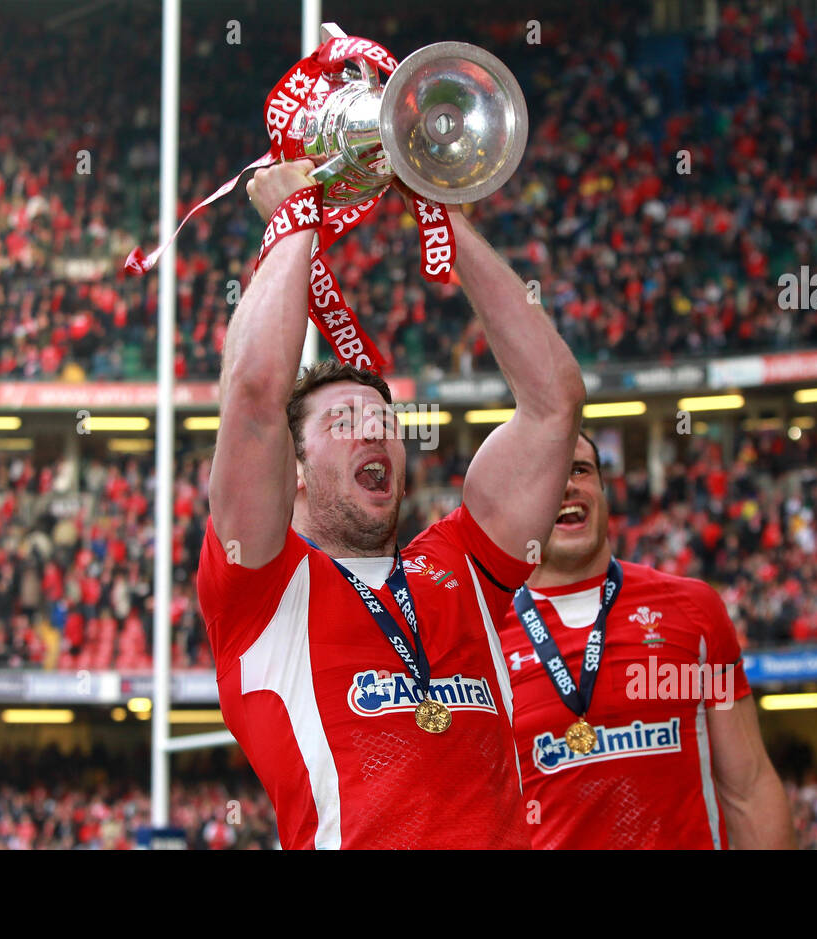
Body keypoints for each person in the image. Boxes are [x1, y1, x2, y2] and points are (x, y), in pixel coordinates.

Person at [196, 160, 585, 849]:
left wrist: (445, 218)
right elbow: (254, 395)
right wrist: (294, 223)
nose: (374, 429)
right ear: (295, 471)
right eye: (344, 421)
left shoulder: (461, 564)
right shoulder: (261, 589)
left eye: (385, 420)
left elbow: (555, 404)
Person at [498, 433, 796, 848]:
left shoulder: (696, 610)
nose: (566, 485)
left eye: (580, 470)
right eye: (544, 474)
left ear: (603, 490)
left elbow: (749, 788)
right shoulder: (485, 636)